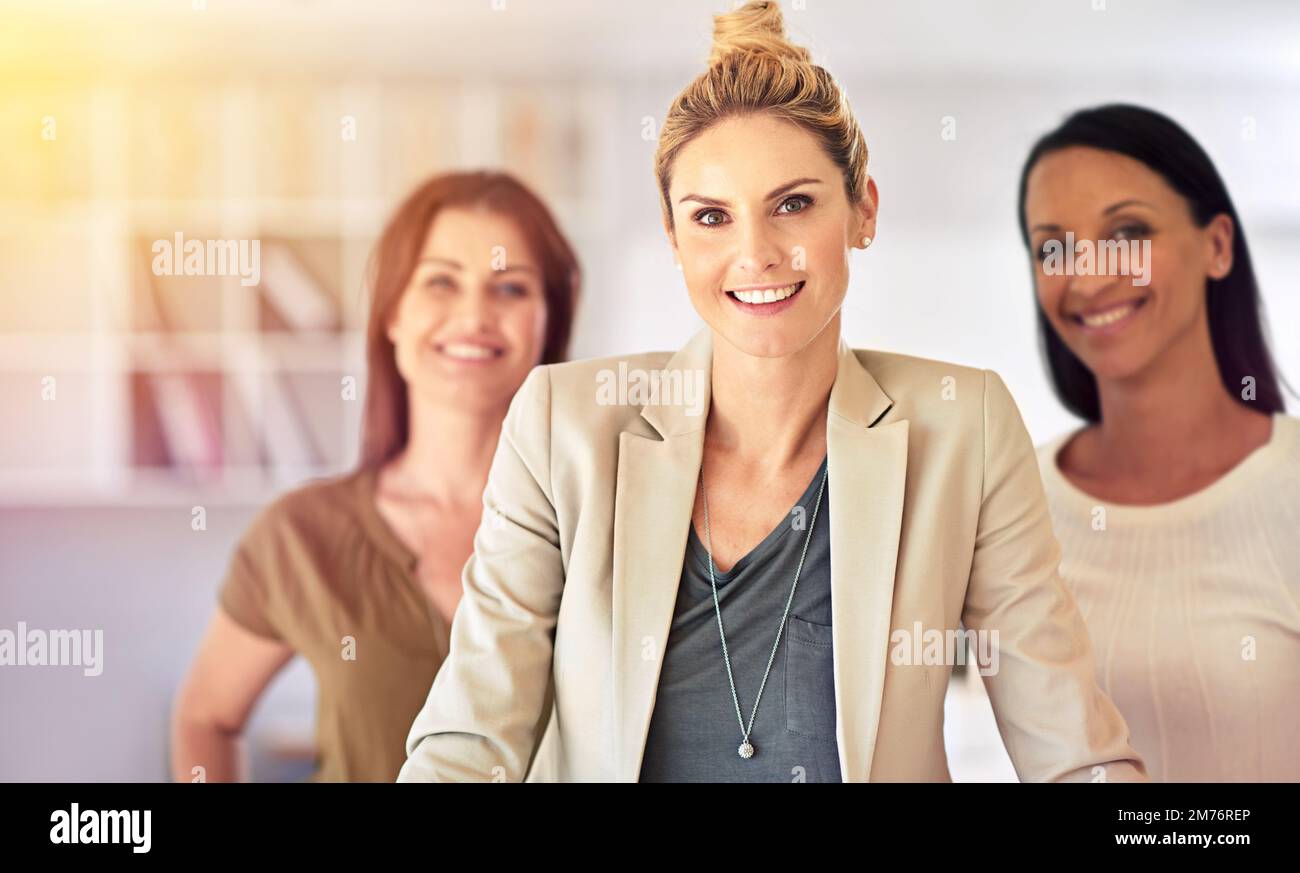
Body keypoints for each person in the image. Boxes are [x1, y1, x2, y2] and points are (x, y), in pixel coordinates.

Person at [399, 1, 1145, 783]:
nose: (754, 253)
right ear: (674, 238)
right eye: (712, 217)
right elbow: (469, 747)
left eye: (793, 204)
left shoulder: (967, 426)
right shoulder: (562, 427)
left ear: (863, 211)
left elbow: (1074, 753)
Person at [170, 171, 580, 781]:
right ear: (391, 314)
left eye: (511, 288)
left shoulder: (601, 522)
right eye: (441, 281)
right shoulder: (302, 535)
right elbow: (205, 716)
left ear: (548, 323)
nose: (474, 315)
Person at [1019, 104, 1299, 782]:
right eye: (1054, 247)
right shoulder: (1008, 499)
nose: (1088, 278)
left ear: (1217, 246)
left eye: (1128, 231)